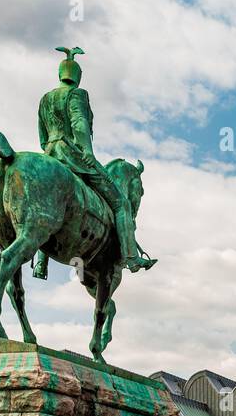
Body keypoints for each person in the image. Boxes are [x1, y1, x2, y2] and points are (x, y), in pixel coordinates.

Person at [31, 46, 154, 278]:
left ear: (60, 74)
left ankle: (40, 263)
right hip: (74, 155)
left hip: (49, 154)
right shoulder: (78, 94)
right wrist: (86, 150)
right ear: (77, 76)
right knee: (121, 204)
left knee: (45, 204)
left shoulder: (45, 99)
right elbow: (79, 122)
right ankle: (131, 257)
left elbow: (42, 137)